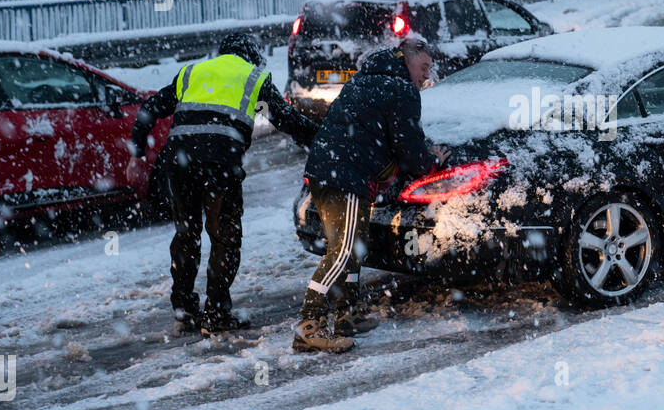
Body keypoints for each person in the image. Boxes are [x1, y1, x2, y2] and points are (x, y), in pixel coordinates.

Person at [130, 32, 318, 331]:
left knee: (186, 234)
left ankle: (184, 309)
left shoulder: (192, 73)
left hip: (179, 164)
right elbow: (284, 120)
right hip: (220, 165)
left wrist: (137, 154)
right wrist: (319, 140)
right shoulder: (253, 79)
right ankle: (216, 312)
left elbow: (148, 110)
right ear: (253, 56)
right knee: (224, 239)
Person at [295, 36, 449, 353]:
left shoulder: (367, 79)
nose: (425, 76)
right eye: (424, 67)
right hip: (347, 174)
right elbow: (408, 149)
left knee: (352, 248)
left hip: (328, 168)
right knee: (342, 251)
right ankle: (309, 326)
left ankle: (348, 314)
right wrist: (433, 160)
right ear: (408, 59)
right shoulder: (401, 89)